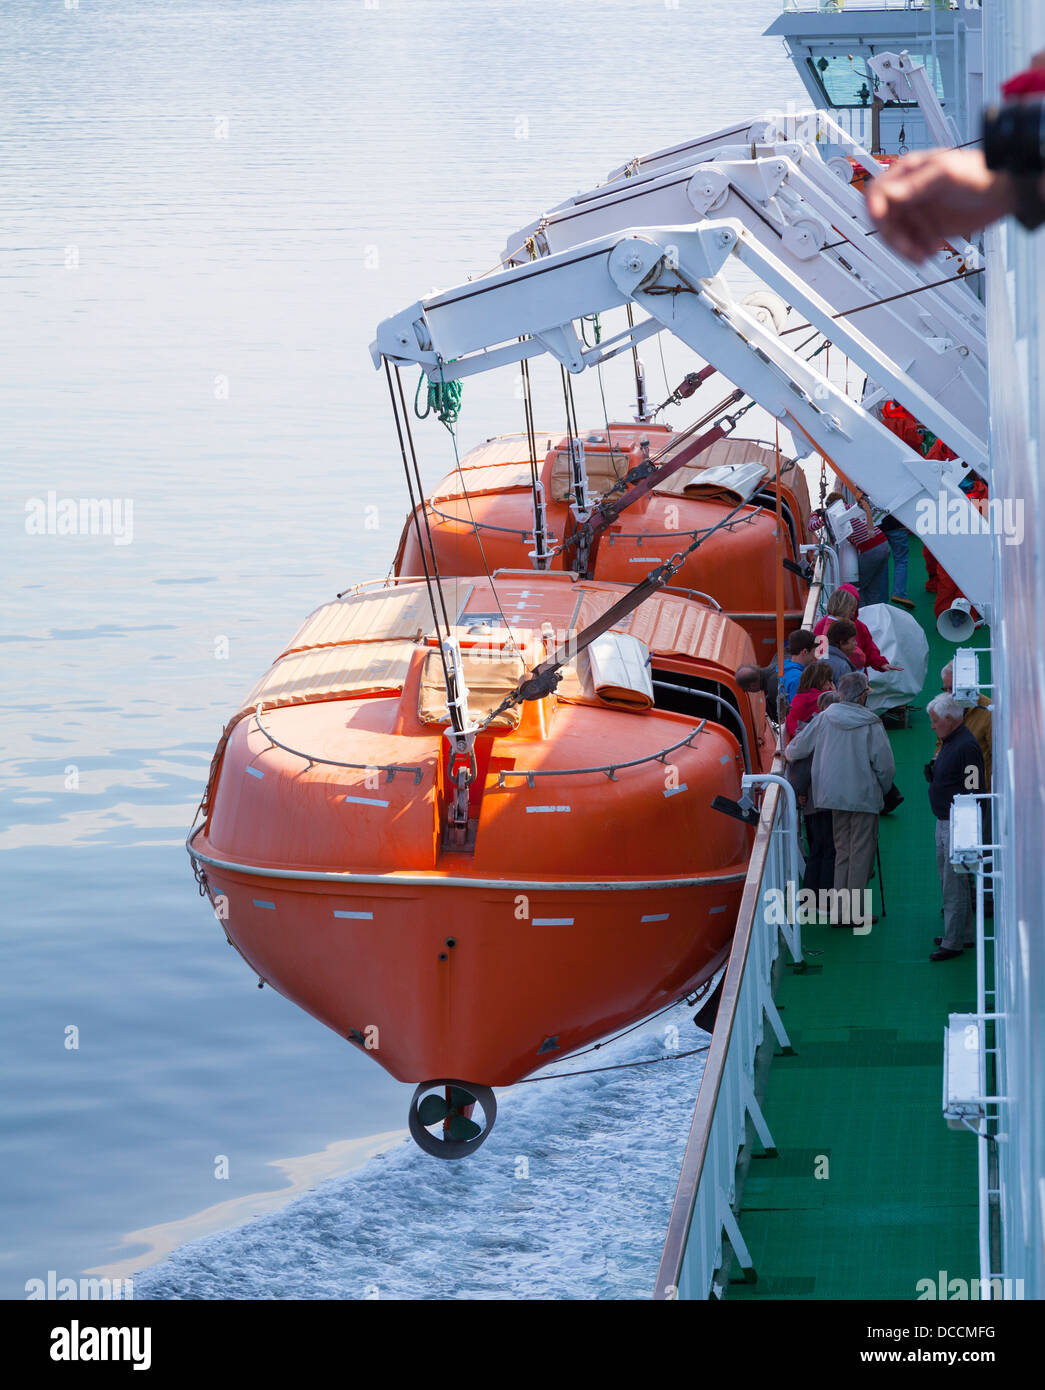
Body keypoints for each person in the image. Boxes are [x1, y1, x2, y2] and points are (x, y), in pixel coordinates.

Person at [785, 670, 895, 916]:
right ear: (862, 696)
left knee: (843, 850)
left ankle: (839, 909)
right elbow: (885, 765)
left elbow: (795, 749)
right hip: (863, 796)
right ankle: (852, 913)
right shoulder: (870, 722)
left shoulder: (824, 718)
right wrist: (884, 789)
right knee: (860, 852)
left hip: (830, 795)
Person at [926, 693, 986, 961]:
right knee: (952, 881)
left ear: (950, 720)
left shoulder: (965, 747)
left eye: (935, 721)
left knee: (954, 883)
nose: (932, 726)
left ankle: (953, 942)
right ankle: (963, 933)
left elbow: (973, 789)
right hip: (946, 819)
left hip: (956, 823)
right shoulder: (952, 741)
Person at [788, 689, 840, 899]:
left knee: (819, 847)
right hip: (821, 799)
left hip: (813, 799)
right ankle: (824, 897)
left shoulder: (810, 729)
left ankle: (811, 895)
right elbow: (803, 766)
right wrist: (799, 791)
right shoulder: (821, 732)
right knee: (828, 849)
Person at [814, 584, 902, 675]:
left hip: (846, 678)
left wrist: (880, 663)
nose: (853, 613)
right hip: (841, 677)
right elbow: (818, 656)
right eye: (852, 610)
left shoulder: (858, 626)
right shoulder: (822, 626)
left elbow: (869, 647)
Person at [940, 661, 993, 789]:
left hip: (979, 792)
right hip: (954, 789)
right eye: (945, 689)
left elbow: (997, 758)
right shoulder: (947, 708)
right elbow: (940, 743)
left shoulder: (988, 712)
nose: (948, 694)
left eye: (952, 689)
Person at [785, 660, 834, 740]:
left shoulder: (798, 697)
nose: (830, 684)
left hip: (795, 739)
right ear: (822, 681)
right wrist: (833, 693)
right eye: (830, 680)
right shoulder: (824, 699)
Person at [781, 629, 816, 703]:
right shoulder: (799, 678)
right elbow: (800, 708)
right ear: (805, 651)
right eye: (814, 652)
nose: (816, 657)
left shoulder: (782, 669)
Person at [824, 619, 859, 683]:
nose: (856, 643)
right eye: (853, 640)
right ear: (842, 642)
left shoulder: (820, 659)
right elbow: (846, 692)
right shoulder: (843, 667)